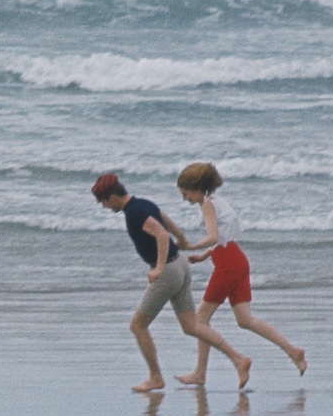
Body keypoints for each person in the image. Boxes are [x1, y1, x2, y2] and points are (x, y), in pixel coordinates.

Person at [91, 172, 250, 394]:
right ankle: (238, 359)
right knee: (192, 326)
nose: (105, 207)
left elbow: (161, 235)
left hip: (167, 272)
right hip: (181, 266)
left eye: (104, 202)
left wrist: (157, 267)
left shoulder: (134, 213)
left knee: (137, 326)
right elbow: (166, 222)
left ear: (111, 197)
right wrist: (182, 239)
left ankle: (155, 377)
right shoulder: (142, 203)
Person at [173, 162, 306, 386]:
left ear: (196, 188)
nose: (184, 198)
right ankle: (293, 352)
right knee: (245, 320)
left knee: (199, 320)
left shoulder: (207, 205)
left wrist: (190, 246)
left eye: (185, 194)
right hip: (238, 260)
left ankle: (210, 370)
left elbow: (214, 237)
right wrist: (204, 256)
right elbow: (224, 239)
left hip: (228, 266)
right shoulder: (218, 201)